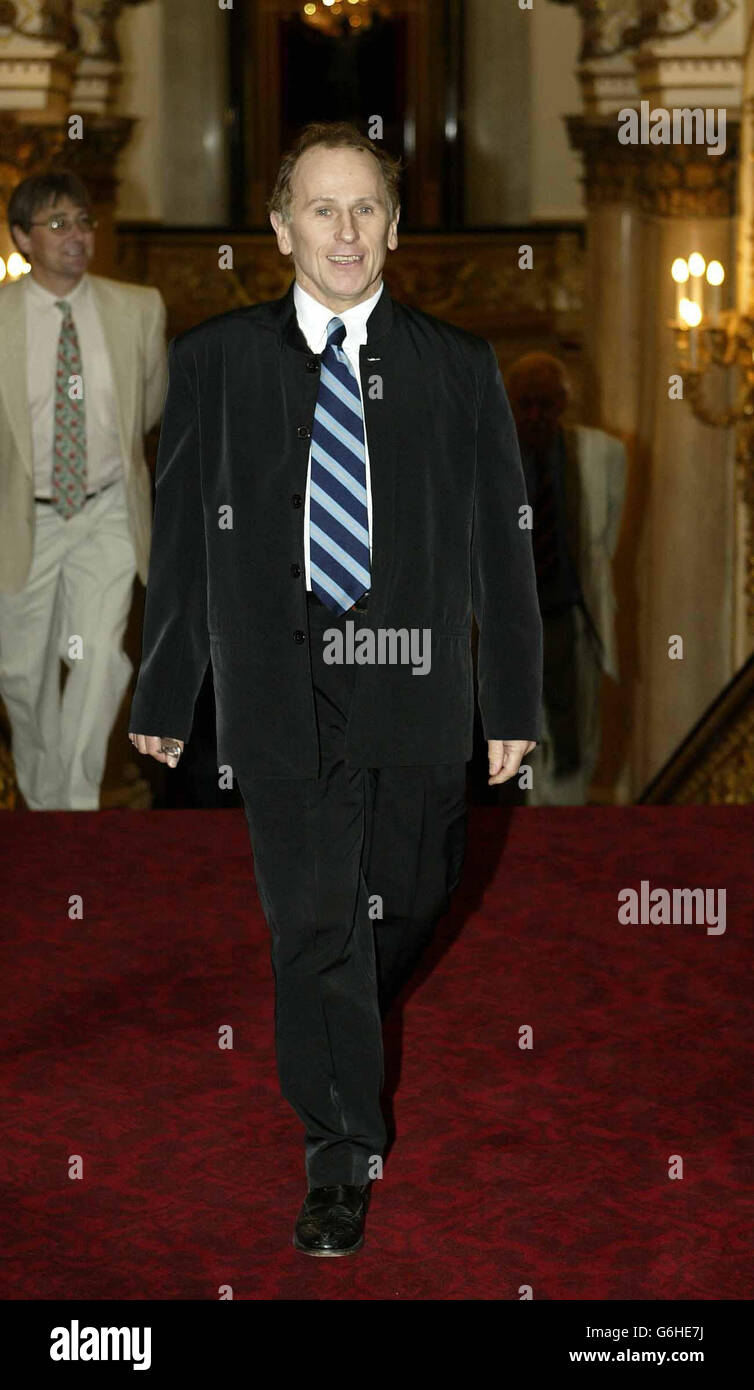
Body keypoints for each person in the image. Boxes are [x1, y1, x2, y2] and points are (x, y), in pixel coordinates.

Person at [129, 122, 543, 1257]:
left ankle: (343, 1005)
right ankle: (338, 1152)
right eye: (322, 208)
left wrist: (510, 701)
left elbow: (502, 548)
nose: (345, 230)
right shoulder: (214, 361)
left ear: (395, 227)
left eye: (365, 208)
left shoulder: (457, 365)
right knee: (315, 924)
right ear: (279, 230)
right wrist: (166, 688)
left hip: (414, 681)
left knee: (409, 890)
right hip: (276, 691)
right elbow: (181, 550)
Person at [0, 171, 167, 810]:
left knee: (101, 656)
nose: (77, 236)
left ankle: (70, 806)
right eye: (58, 224)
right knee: (22, 674)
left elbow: (151, 407)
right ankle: (47, 800)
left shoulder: (138, 307)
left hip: (106, 511)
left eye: (84, 222)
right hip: (26, 518)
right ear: (22, 236)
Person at [506, 352, 626, 805]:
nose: (535, 416)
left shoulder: (600, 457)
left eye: (545, 405)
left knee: (571, 727)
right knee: (511, 736)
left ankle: (565, 830)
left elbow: (602, 543)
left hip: (566, 615)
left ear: (562, 404)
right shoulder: (486, 457)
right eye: (525, 405)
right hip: (506, 624)